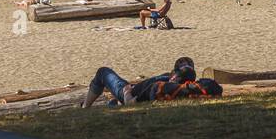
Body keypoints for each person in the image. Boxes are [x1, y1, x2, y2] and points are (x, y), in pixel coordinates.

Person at [81, 56, 222, 108]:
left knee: (103, 72)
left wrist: (127, 95)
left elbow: (133, 102)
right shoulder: (193, 86)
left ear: (174, 76)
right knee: (112, 103)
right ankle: (113, 103)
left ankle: (85, 106)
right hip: (136, 91)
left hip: (129, 93)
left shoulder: (161, 86)